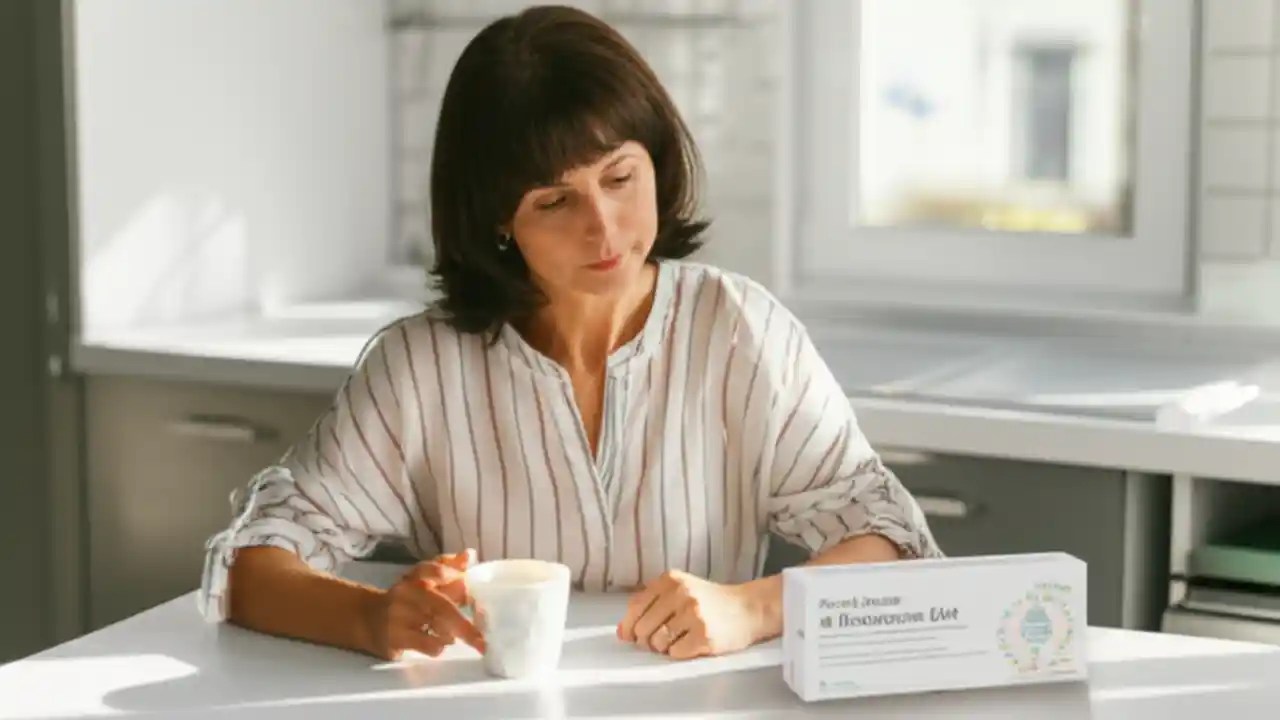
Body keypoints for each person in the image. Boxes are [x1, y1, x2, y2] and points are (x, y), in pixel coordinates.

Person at [200, 4, 941, 663]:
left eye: (620, 178)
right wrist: (373, 616)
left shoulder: (739, 330)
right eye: (555, 200)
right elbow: (251, 566)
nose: (604, 227)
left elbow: (893, 542)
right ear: (497, 221)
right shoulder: (420, 367)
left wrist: (753, 607)